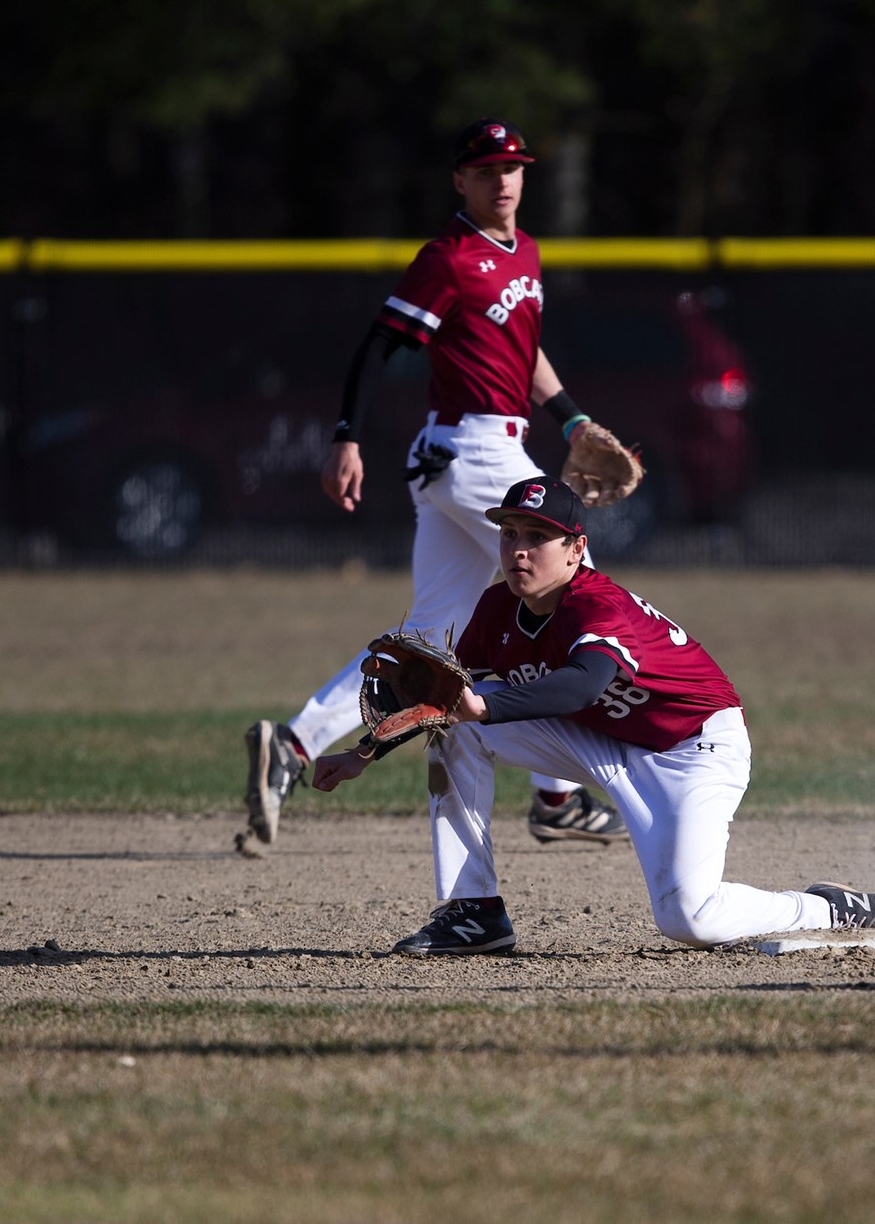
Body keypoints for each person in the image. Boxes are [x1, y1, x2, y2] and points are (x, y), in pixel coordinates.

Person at [309, 475, 875, 954]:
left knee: (689, 917)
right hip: (602, 739)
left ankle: (829, 911)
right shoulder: (497, 609)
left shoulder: (597, 607)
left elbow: (584, 684)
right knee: (454, 727)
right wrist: (361, 753)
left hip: (694, 748)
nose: (518, 551)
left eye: (537, 537)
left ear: (577, 549)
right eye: (509, 534)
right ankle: (474, 911)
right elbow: (441, 696)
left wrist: (483, 704)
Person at [238, 119, 627, 857]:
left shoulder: (525, 253)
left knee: (428, 638)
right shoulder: (448, 257)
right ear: (461, 182)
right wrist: (346, 435)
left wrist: (571, 419)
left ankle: (291, 746)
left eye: (513, 168)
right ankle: (558, 795)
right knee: (574, 589)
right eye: (486, 170)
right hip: (476, 446)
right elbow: (379, 341)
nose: (503, 180)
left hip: (472, 451)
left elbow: (525, 347)